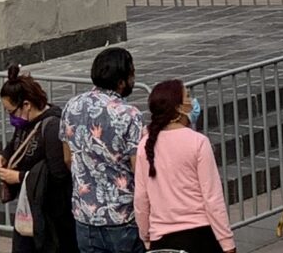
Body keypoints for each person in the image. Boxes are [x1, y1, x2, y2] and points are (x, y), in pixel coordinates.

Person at [134, 80, 235, 253]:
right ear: (179, 108)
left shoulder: (145, 146)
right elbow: (212, 198)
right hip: (201, 237)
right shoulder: (198, 142)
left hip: (162, 240)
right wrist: (227, 242)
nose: (192, 101)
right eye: (188, 96)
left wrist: (146, 237)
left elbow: (141, 199)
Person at [61, 45, 145, 253]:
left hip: (85, 215)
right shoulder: (130, 115)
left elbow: (67, 157)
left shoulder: (72, 106)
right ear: (121, 80)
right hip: (122, 216)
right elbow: (138, 168)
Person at [0, 64, 77, 253]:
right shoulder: (25, 123)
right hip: (32, 206)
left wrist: (20, 177)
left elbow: (58, 174)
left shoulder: (52, 126)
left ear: (27, 105)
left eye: (11, 112)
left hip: (53, 214)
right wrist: (3, 157)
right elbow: (15, 144)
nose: (11, 118)